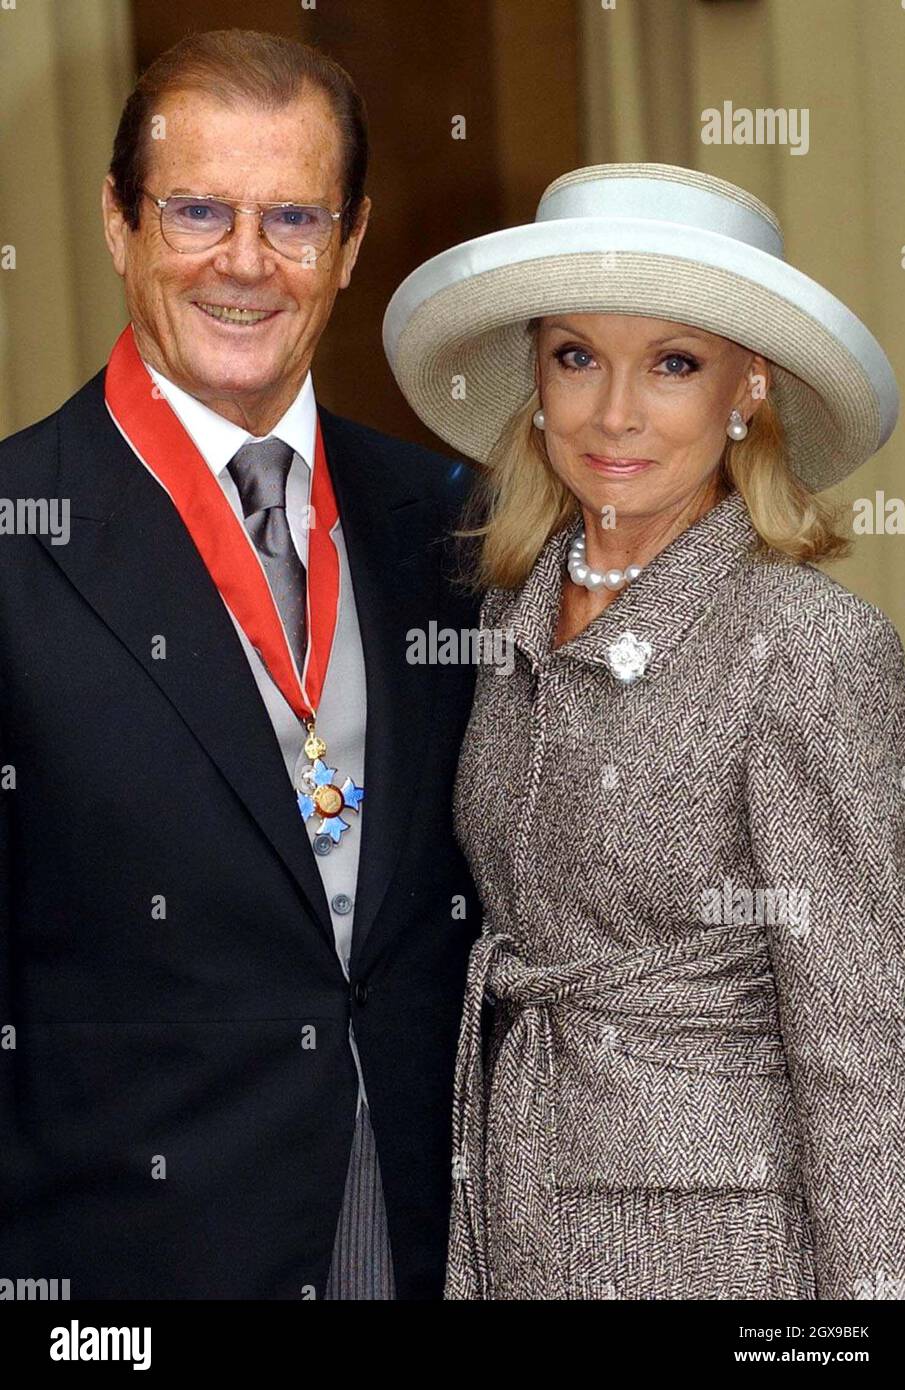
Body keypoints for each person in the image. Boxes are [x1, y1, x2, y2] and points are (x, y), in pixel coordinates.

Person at [0, 29, 482, 1300]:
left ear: (355, 240)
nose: (246, 264)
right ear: (117, 222)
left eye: (294, 217)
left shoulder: (458, 524)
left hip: (431, 1243)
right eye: (198, 210)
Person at [384, 162, 905, 1300]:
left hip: (725, 1250)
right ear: (534, 377)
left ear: (748, 391)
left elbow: (859, 1040)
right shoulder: (504, 617)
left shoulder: (810, 646)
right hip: (512, 1201)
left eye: (673, 364)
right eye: (576, 356)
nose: (612, 413)